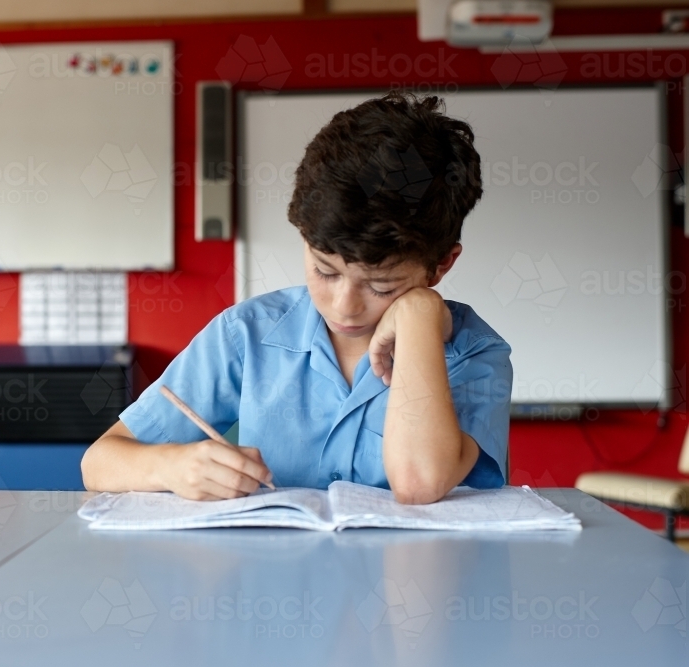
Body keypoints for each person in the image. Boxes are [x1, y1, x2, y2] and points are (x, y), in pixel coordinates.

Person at [81, 91, 512, 504]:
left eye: (382, 286)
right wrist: (171, 466)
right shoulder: (247, 334)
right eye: (325, 271)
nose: (345, 306)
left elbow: (419, 483)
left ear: (441, 266)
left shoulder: (474, 355)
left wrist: (420, 314)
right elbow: (99, 464)